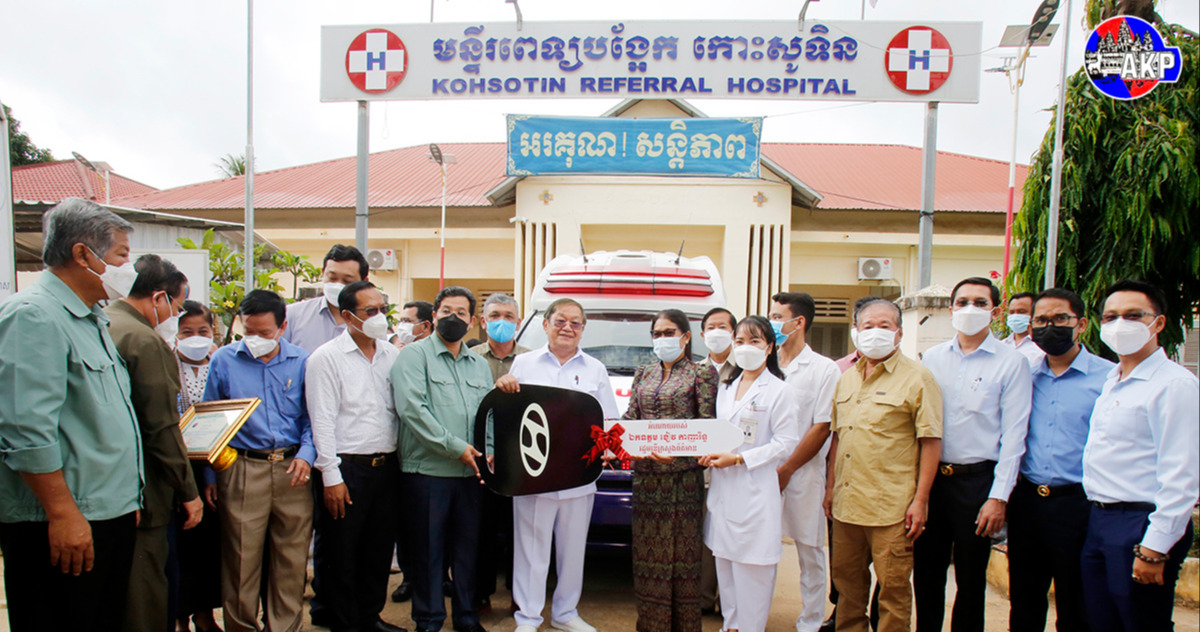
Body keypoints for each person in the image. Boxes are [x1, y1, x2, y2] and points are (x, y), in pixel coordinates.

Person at [0, 198, 143, 632]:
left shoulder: (89, 318)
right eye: (120, 254)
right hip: (63, 522)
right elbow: (26, 431)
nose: (128, 267)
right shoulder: (35, 316)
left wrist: (125, 497)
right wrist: (63, 514)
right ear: (84, 254)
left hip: (102, 513)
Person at [1081, 280, 1199, 632]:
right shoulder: (1113, 380)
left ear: (1158, 323)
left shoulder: (1173, 385)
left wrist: (1154, 548)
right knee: (1103, 622)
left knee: (1141, 621)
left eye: (1133, 315)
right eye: (1111, 316)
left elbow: (1182, 474)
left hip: (1140, 523)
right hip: (1101, 519)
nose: (1120, 324)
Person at [497, 298, 620, 632]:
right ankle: (528, 617)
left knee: (572, 551)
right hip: (532, 476)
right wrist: (504, 385)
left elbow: (610, 419)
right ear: (545, 324)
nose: (568, 327)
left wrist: (609, 448)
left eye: (576, 323)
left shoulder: (594, 368)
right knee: (530, 550)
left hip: (579, 477)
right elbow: (508, 415)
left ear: (583, 329)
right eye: (561, 321)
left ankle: (566, 614)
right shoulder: (524, 363)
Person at [916, 277, 1031, 632]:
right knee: (927, 572)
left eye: (980, 303)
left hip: (978, 484)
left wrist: (998, 497)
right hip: (933, 481)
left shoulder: (1011, 363)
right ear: (951, 310)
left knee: (970, 577)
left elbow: (1015, 435)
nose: (970, 309)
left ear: (995, 312)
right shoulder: (932, 359)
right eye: (962, 301)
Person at [825, 297, 943, 632]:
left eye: (884, 326)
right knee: (847, 589)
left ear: (899, 333)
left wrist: (921, 501)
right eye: (868, 326)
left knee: (892, 592)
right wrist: (830, 487)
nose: (875, 332)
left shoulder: (918, 378)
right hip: (847, 506)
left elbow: (931, 442)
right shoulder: (846, 379)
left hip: (892, 508)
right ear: (855, 332)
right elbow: (837, 438)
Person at [203, 289, 315, 632]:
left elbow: (313, 418)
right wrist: (210, 476)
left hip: (292, 468)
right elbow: (208, 421)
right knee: (240, 558)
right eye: (248, 332)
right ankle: (242, 627)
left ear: (281, 327)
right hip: (241, 468)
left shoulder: (302, 361)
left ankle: (284, 626)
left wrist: (307, 457)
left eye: (264, 333)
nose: (256, 340)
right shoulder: (224, 360)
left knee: (291, 559)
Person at [105, 254, 204, 632]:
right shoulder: (143, 340)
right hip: (146, 489)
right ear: (160, 297)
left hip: (112, 488)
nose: (174, 315)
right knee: (146, 595)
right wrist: (188, 490)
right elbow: (161, 426)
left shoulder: (105, 323)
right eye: (178, 306)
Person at [1005, 288, 1113, 632]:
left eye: (1060, 319)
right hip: (1028, 502)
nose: (1049, 327)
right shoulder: (1025, 374)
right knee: (1024, 599)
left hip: (1078, 505)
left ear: (1080, 324)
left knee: (1077, 600)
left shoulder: (1108, 377)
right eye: (1040, 320)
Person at [392, 286, 493, 632]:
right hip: (427, 474)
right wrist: (455, 448)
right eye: (446, 311)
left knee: (467, 553)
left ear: (472, 321)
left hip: (471, 475)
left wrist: (488, 449)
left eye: (461, 312)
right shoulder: (413, 356)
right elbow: (413, 411)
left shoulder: (479, 365)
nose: (454, 318)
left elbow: (487, 416)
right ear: (433, 316)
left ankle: (466, 618)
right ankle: (430, 619)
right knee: (428, 553)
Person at [307, 281, 406, 632]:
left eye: (383, 309)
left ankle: (369, 616)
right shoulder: (326, 358)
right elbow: (322, 421)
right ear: (348, 316)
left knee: (377, 549)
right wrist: (331, 477)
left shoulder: (391, 355)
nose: (379, 317)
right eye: (370, 311)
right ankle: (345, 621)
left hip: (386, 467)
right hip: (347, 468)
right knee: (341, 552)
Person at [700, 315, 800, 632]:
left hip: (755, 495)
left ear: (769, 347)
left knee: (752, 578)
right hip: (723, 493)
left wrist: (740, 460)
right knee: (726, 573)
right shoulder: (727, 387)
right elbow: (719, 432)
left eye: (755, 341)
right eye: (740, 341)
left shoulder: (780, 391)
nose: (746, 348)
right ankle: (730, 626)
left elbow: (786, 442)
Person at [622, 309, 719, 632]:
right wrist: (626, 443)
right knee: (649, 560)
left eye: (669, 332)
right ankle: (651, 626)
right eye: (657, 333)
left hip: (683, 483)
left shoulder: (700, 374)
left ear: (686, 336)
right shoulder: (643, 374)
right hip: (647, 481)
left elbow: (707, 429)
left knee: (682, 561)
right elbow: (630, 420)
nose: (663, 338)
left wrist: (676, 456)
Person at [769, 293, 841, 632]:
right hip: (762, 471)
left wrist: (788, 469)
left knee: (809, 550)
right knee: (760, 546)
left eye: (777, 316)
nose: (771, 323)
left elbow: (822, 426)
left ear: (799, 322)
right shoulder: (766, 362)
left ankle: (810, 621)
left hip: (803, 473)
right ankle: (751, 614)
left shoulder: (824, 369)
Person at [470, 293, 529, 612]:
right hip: (481, 459)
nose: (501, 322)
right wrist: (485, 449)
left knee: (522, 532)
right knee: (482, 530)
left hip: (522, 461)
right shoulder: (468, 358)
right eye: (495, 315)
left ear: (519, 322)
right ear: (483, 321)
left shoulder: (533, 359)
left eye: (508, 316)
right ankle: (480, 593)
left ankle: (521, 596)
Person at [173, 301, 224, 632]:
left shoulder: (221, 361)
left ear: (213, 332)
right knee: (179, 546)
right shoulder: (165, 361)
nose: (195, 338)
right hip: (176, 468)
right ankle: (179, 617)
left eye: (202, 331)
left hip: (215, 467)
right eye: (187, 332)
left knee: (209, 547)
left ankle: (205, 615)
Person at [389, 298, 435, 604]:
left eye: (409, 320)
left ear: (426, 326)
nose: (402, 326)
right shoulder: (394, 355)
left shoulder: (439, 356)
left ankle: (437, 578)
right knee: (407, 525)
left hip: (434, 455)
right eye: (401, 320)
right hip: (401, 451)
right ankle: (408, 577)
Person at [283, 244, 369, 353]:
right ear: (323, 273)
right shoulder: (293, 315)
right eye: (332, 278)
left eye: (347, 281)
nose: (338, 285)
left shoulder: (369, 322)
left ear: (364, 281)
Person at [1001, 292, 1045, 368]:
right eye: (1012, 312)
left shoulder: (1042, 348)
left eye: (1021, 312)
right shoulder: (1001, 345)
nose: (1015, 316)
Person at [699, 307, 738, 383]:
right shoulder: (695, 370)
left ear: (734, 334)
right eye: (711, 328)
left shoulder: (742, 367)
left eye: (722, 327)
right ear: (703, 335)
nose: (716, 332)